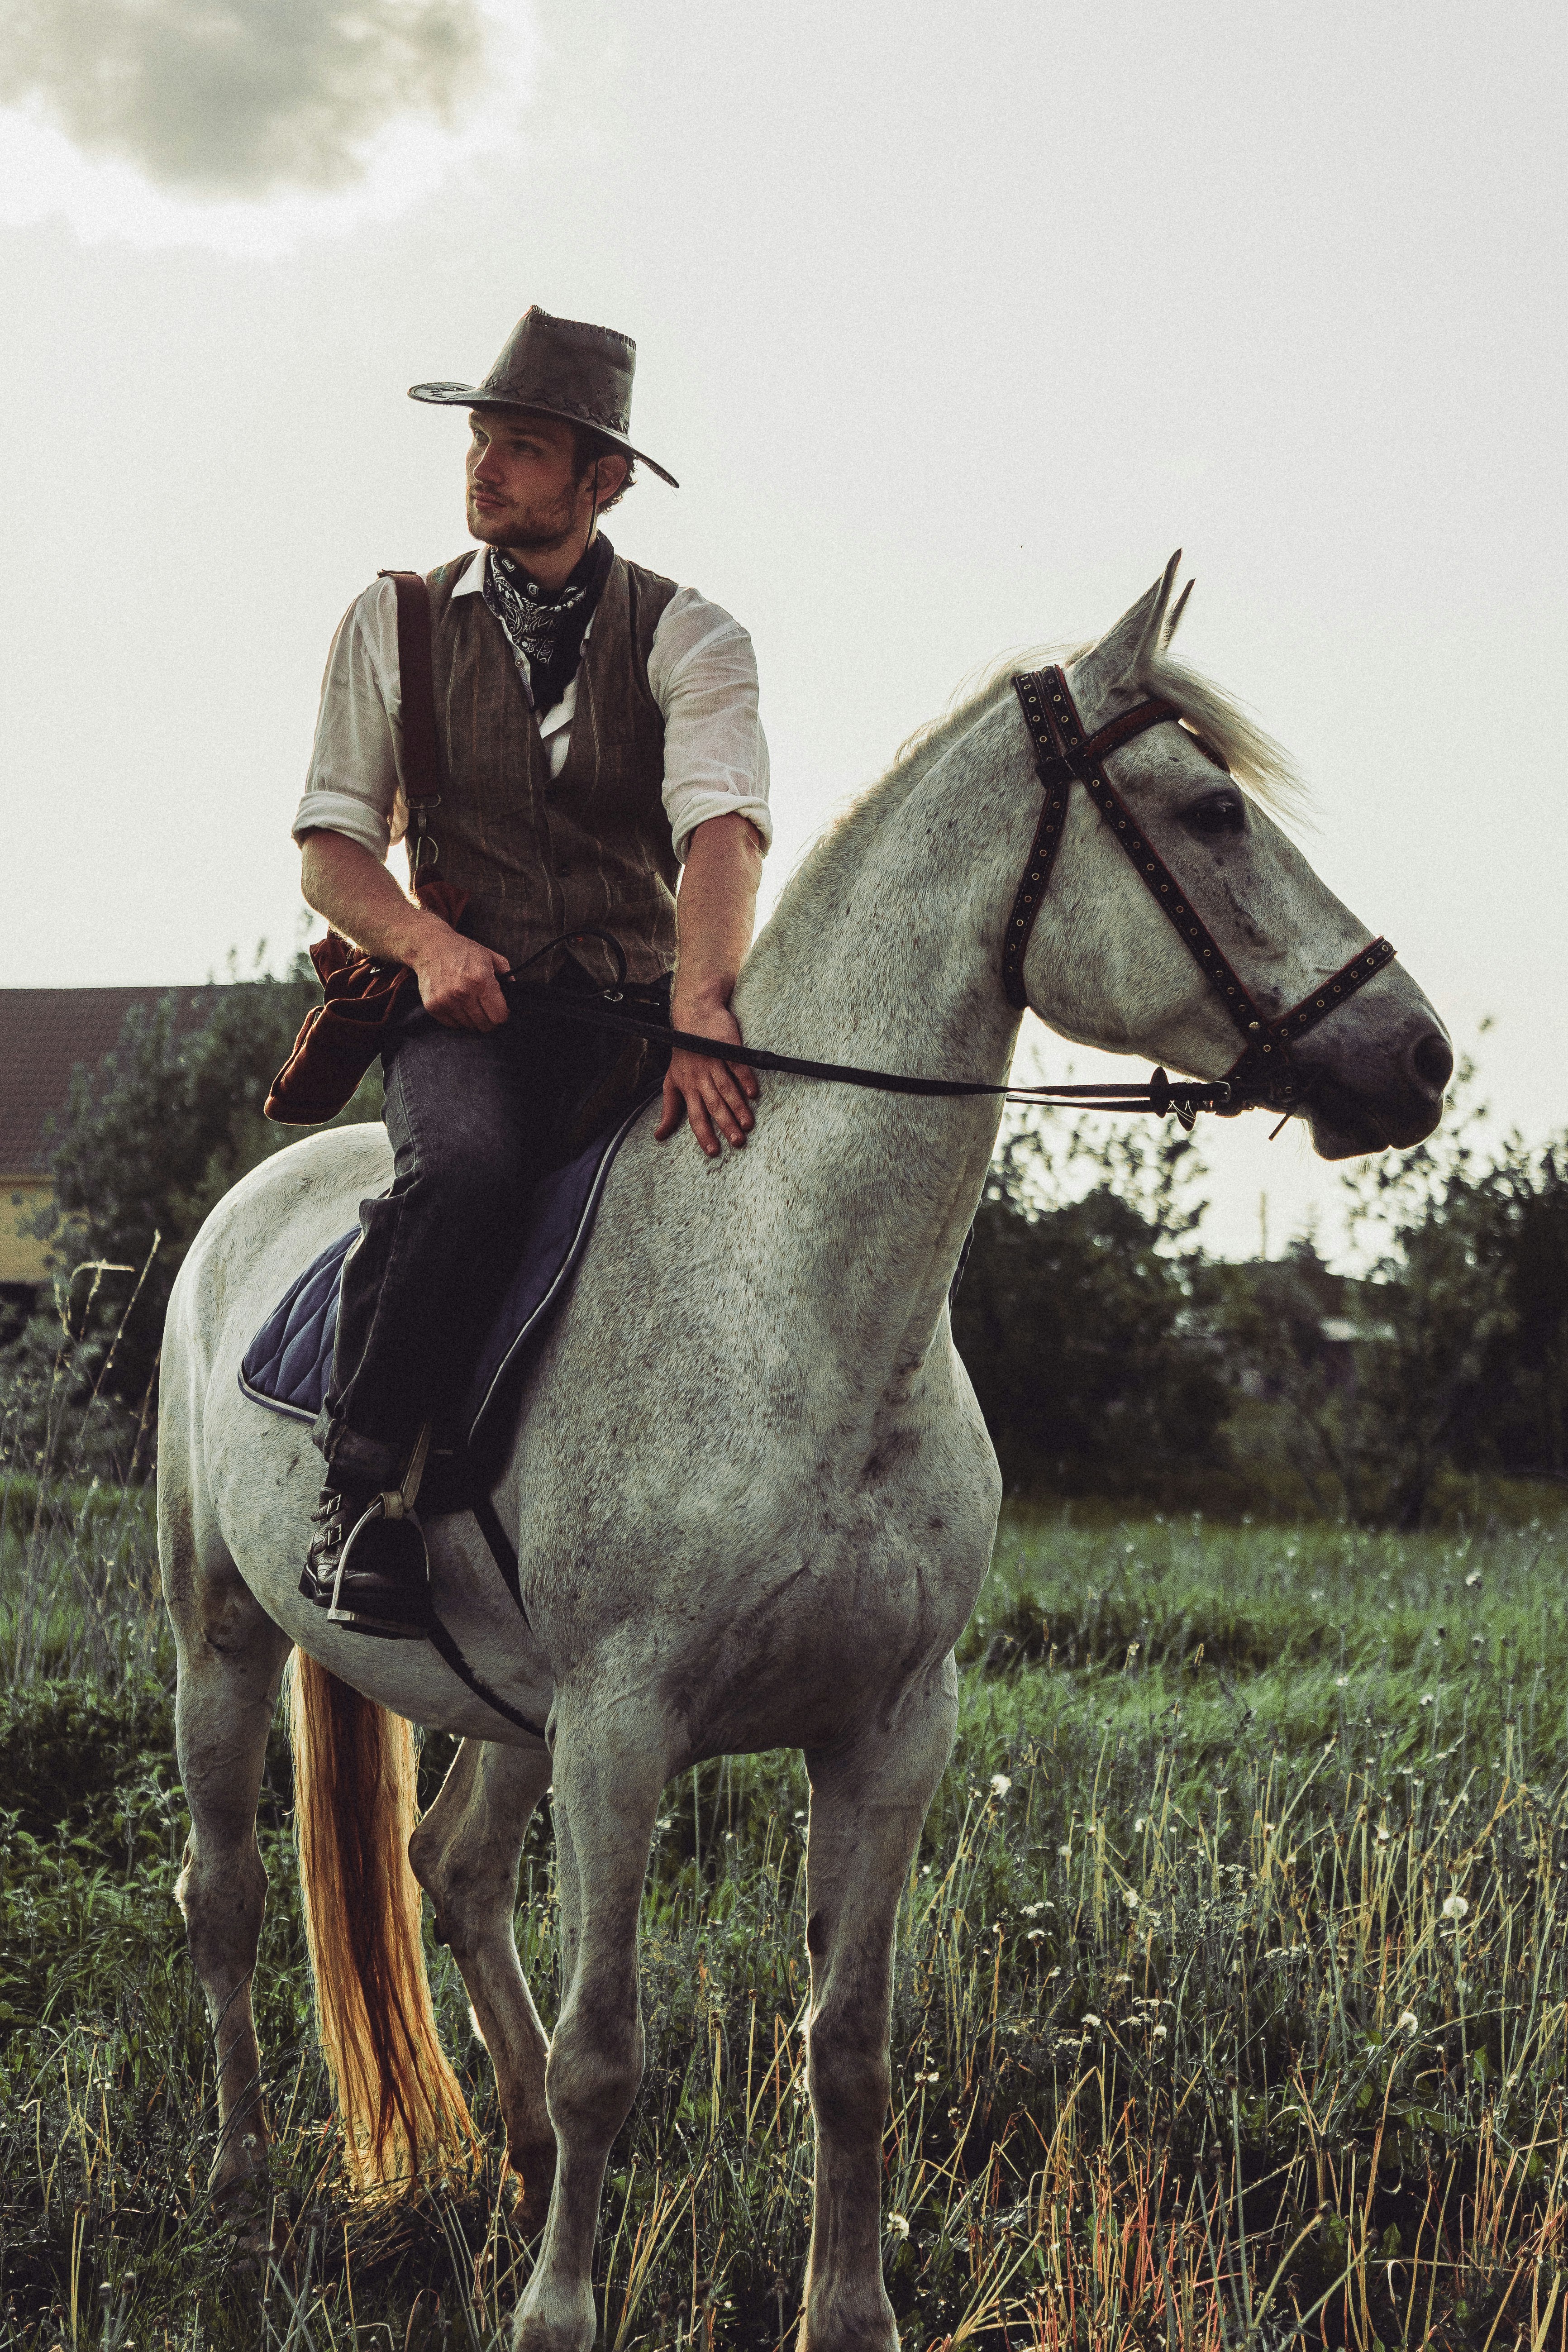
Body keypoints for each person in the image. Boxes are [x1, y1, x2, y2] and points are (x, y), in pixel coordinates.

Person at [291, 306, 771, 1637]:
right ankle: (364, 1493)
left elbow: (720, 831)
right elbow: (332, 852)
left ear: (602, 480)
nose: (483, 468)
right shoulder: (392, 622)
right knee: (469, 1174)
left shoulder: (694, 637)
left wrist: (700, 1006)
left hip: (630, 1011)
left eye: (522, 447)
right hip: (465, 1016)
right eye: (480, 440)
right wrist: (430, 946)